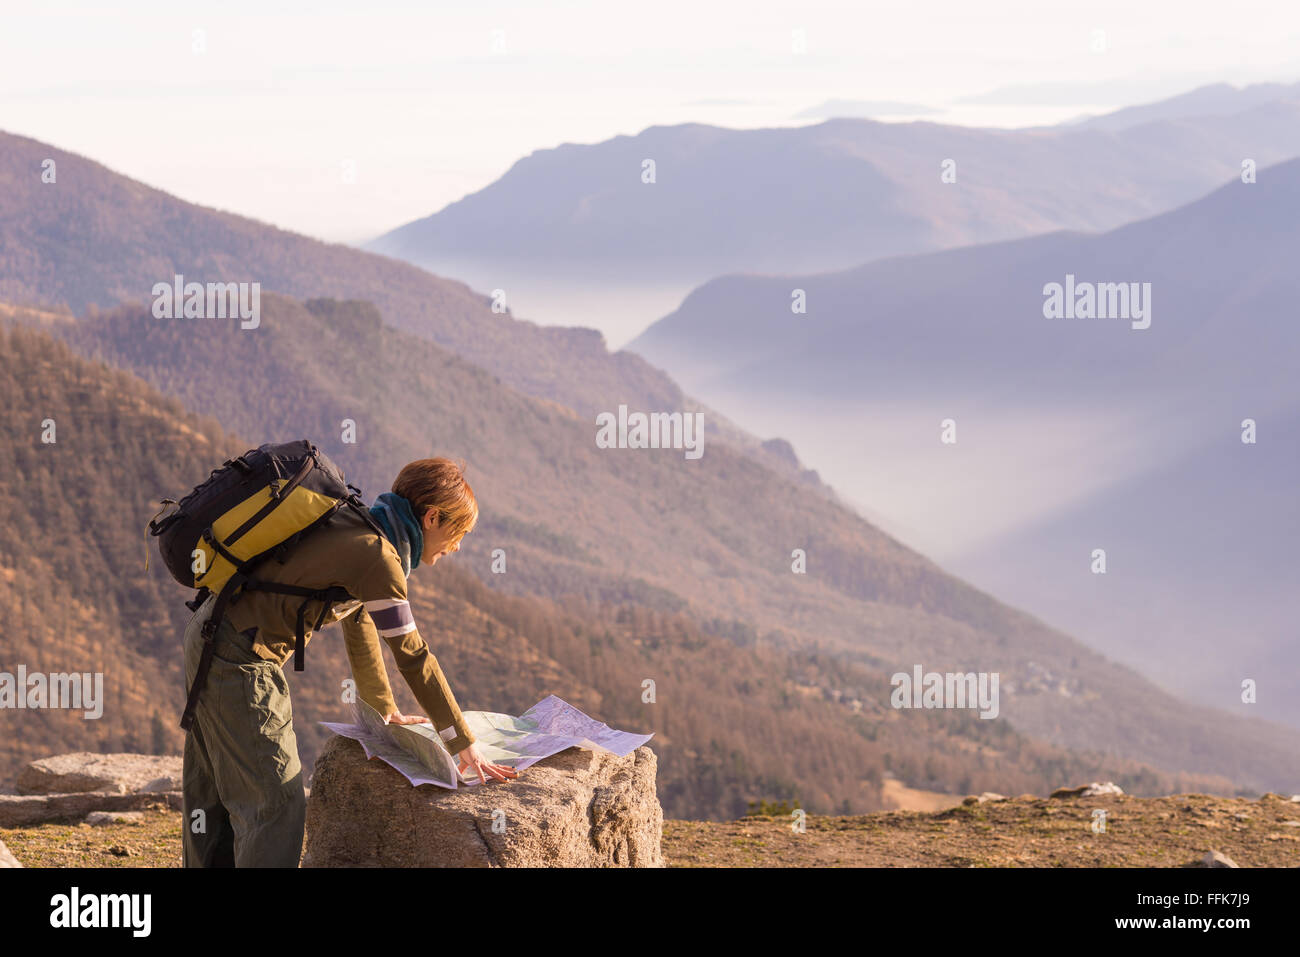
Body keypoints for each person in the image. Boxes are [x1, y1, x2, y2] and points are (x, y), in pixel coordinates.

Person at [180, 457, 516, 867]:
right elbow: (412, 655)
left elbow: (358, 619)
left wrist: (383, 710)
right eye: (459, 533)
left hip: (208, 634)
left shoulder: (357, 523)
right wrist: (462, 742)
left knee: (212, 793)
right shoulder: (378, 558)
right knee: (276, 804)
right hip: (240, 660)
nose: (457, 546)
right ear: (431, 518)